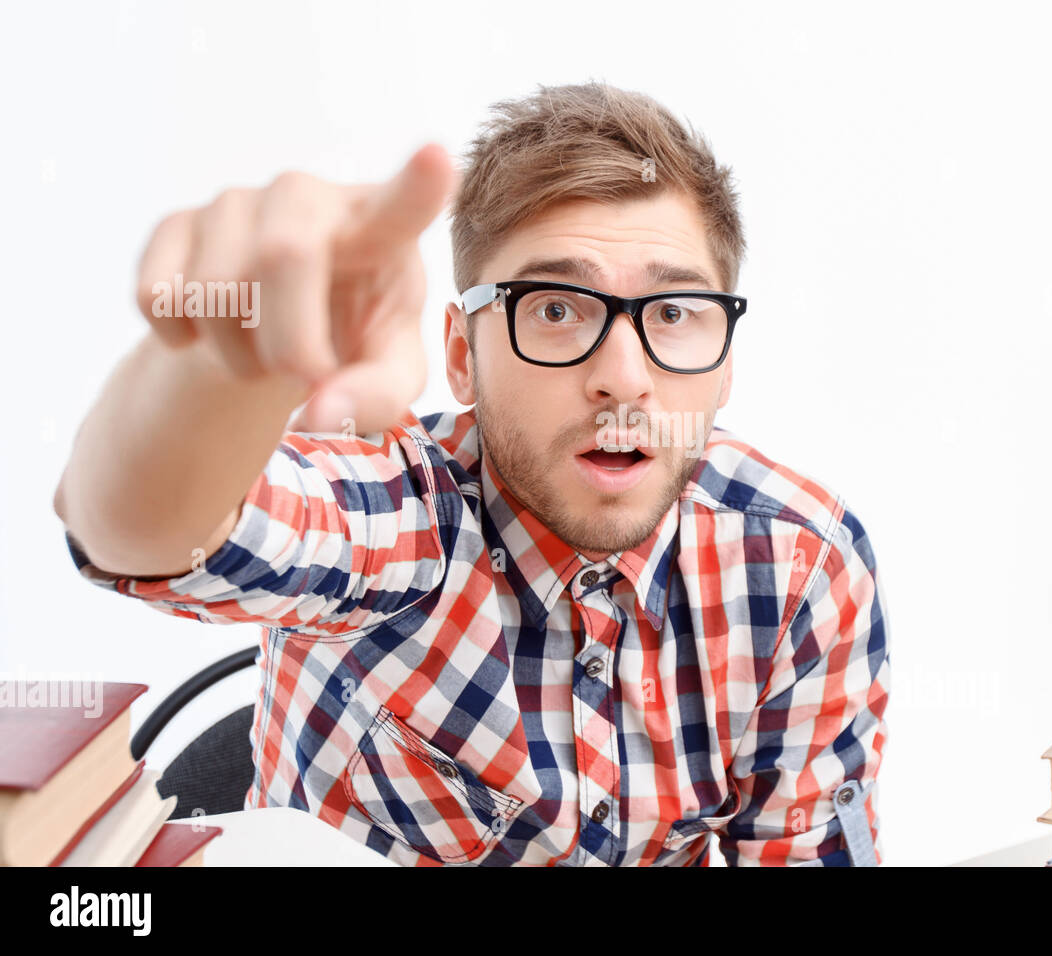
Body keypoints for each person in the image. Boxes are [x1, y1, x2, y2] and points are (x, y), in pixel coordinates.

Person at [54, 80, 891, 866]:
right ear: (462, 355)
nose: (624, 377)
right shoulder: (396, 516)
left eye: (674, 313)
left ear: (726, 365)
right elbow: (139, 530)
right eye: (557, 309)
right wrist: (223, 367)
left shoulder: (797, 567)